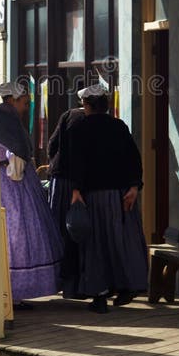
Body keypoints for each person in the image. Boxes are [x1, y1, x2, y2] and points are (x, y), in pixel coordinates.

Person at [67, 84, 149, 313]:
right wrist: (134, 187)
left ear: (87, 105)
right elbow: (134, 159)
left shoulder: (79, 129)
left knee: (95, 245)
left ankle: (100, 296)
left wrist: (75, 191)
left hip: (94, 197)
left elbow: (77, 164)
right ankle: (128, 285)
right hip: (122, 196)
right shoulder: (119, 127)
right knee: (124, 242)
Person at [0, 81, 63, 306]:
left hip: (14, 178)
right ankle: (12, 289)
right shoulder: (5, 117)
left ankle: (13, 291)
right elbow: (9, 150)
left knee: (17, 232)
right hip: (9, 180)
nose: (26, 107)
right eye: (24, 102)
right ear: (12, 100)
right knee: (15, 231)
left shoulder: (6, 116)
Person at [47, 105, 85, 298]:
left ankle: (60, 282)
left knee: (60, 232)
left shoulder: (67, 115)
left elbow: (51, 146)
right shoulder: (86, 120)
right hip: (76, 187)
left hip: (58, 182)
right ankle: (75, 286)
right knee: (76, 235)